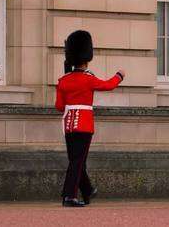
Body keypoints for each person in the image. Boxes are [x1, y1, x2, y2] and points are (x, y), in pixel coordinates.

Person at [55, 30, 125, 207]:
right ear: (87, 58)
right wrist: (119, 76)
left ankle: (86, 190)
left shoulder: (63, 80)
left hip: (69, 125)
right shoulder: (88, 79)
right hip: (84, 125)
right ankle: (69, 196)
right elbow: (108, 85)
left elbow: (59, 106)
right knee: (78, 161)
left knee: (77, 160)